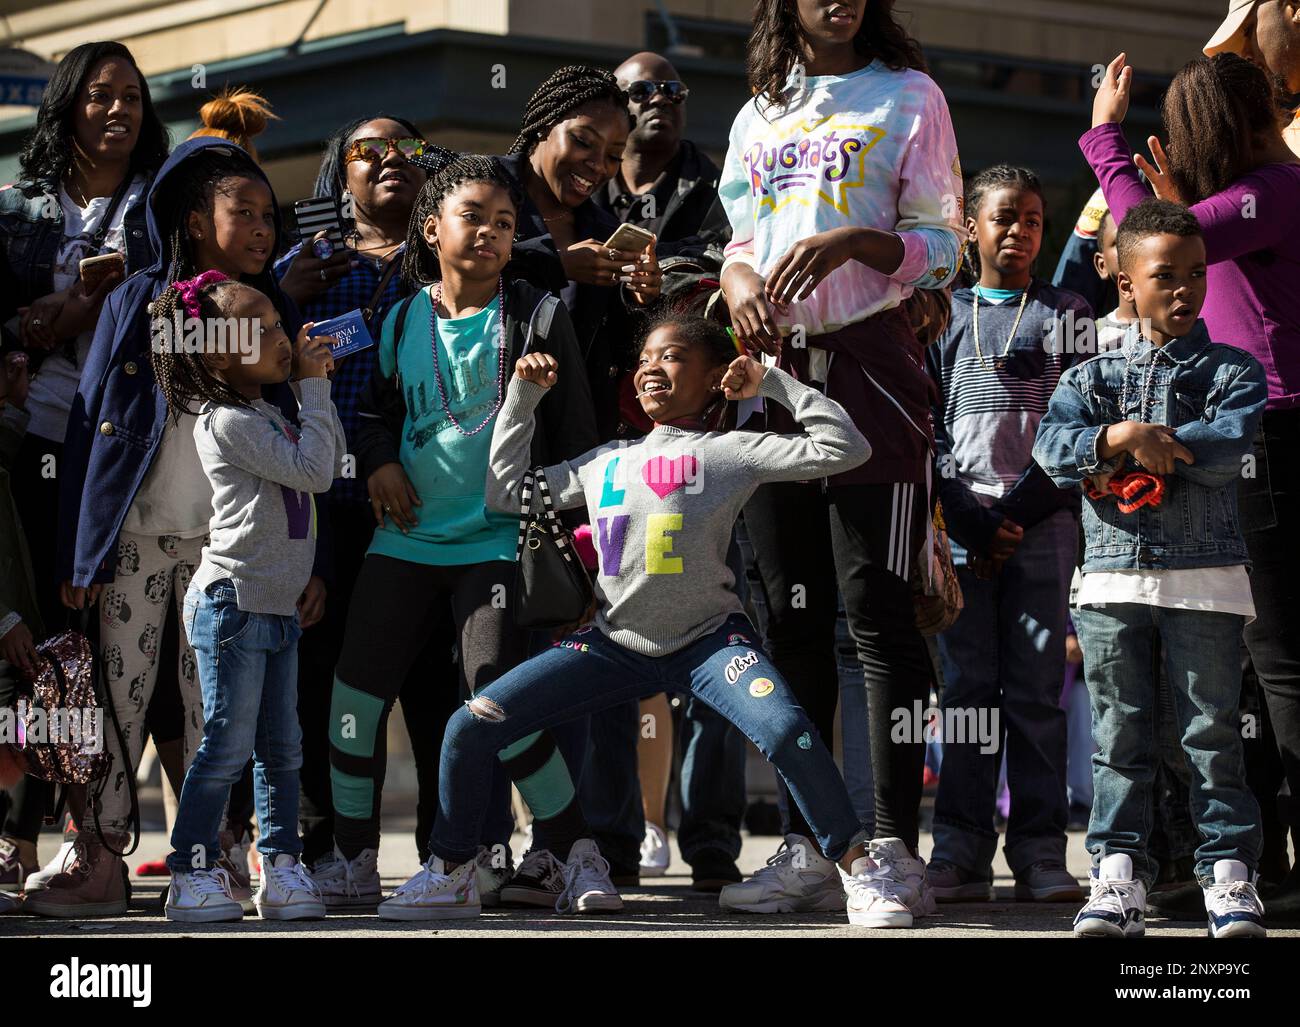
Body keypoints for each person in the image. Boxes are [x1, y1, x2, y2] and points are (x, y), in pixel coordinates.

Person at [378, 313, 924, 929]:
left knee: (789, 730)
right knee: (469, 726)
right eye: (644, 360)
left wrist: (772, 381)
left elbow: (847, 447)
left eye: (671, 357)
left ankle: (858, 871)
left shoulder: (732, 450)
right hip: (612, 645)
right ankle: (449, 872)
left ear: (717, 378)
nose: (650, 369)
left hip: (712, 643)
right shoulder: (604, 461)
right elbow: (506, 495)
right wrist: (521, 400)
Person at [30, 137, 319, 918]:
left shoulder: (273, 308)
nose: (263, 228)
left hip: (228, 555)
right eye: (242, 213)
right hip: (133, 542)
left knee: (214, 712)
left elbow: (299, 446)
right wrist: (80, 550)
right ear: (193, 221)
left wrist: (302, 563)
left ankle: (214, 854)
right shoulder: (138, 302)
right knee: (115, 699)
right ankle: (97, 853)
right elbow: (92, 426)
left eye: (269, 215)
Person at [718, 0, 963, 920]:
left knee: (880, 621)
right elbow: (741, 241)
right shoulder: (759, 111)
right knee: (791, 626)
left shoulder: (909, 95)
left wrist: (858, 242)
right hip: (773, 389)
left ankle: (893, 850)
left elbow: (944, 247)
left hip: (874, 375)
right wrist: (739, 280)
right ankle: (811, 844)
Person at [324, 155, 603, 912]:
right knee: (354, 698)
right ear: (432, 227)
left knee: (492, 701)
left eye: (505, 223)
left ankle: (575, 850)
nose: (489, 232)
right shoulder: (402, 316)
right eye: (473, 215)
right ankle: (352, 859)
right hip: (406, 539)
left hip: (496, 542)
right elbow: (376, 412)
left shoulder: (539, 314)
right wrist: (377, 461)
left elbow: (577, 436)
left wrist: (583, 547)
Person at [1083, 50, 1300, 910]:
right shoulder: (1259, 197)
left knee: (1276, 659)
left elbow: (1152, 243)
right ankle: (1245, 867)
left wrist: (1105, 136)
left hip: (1272, 434)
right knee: (1239, 662)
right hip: (1245, 434)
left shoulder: (1274, 191)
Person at [1034, 198, 1268, 939]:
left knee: (1210, 735)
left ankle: (1229, 880)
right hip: (1109, 582)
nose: (1185, 289)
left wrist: (1135, 450)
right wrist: (1122, 435)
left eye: (1197, 274)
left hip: (1208, 582)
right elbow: (1050, 448)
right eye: (1164, 275)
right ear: (1123, 280)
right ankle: (1116, 879)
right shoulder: (1090, 374)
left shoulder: (1233, 368)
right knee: (1120, 736)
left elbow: (1229, 446)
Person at [270, 116, 453, 898]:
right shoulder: (303, 266)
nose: (389, 162)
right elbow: (249, 369)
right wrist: (284, 292)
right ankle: (333, 852)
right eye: (366, 152)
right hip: (327, 505)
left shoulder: (443, 258)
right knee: (329, 683)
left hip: (429, 502)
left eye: (408, 151)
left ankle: (450, 854)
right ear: (337, 175)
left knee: (437, 685)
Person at [0, 42, 167, 896]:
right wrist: (39, 324)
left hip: (130, 445)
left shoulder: (164, 200)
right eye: (100, 96)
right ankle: (19, 835)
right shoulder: (14, 210)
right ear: (66, 106)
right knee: (39, 641)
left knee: (120, 642)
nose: (118, 111)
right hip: (37, 439)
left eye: (132, 97)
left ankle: (106, 840)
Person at [581, 50, 744, 888]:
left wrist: (668, 281)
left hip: (705, 450)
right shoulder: (585, 187)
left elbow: (735, 280)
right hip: (611, 451)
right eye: (643, 92)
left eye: (674, 90)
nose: (661, 104)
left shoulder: (717, 185)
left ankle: (711, 847)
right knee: (612, 642)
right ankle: (613, 844)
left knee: (715, 635)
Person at [149, 273, 344, 922]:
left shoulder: (268, 412)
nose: (282, 339)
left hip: (275, 604)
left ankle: (282, 865)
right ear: (216, 353)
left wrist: (304, 575)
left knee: (281, 746)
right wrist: (315, 388)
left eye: (278, 325)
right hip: (232, 604)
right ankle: (192, 869)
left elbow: (309, 484)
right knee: (228, 745)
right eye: (260, 331)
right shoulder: (227, 419)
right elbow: (315, 470)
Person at [925, 164, 1088, 903]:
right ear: (970, 227)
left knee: (1034, 692)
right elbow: (924, 427)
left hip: (1042, 527)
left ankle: (1040, 849)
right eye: (1003, 218)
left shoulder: (1066, 312)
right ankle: (959, 847)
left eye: (1031, 220)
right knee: (965, 692)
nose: (1018, 231)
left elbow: (1079, 422)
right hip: (962, 530)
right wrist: (967, 513)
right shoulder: (940, 314)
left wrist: (1016, 511)